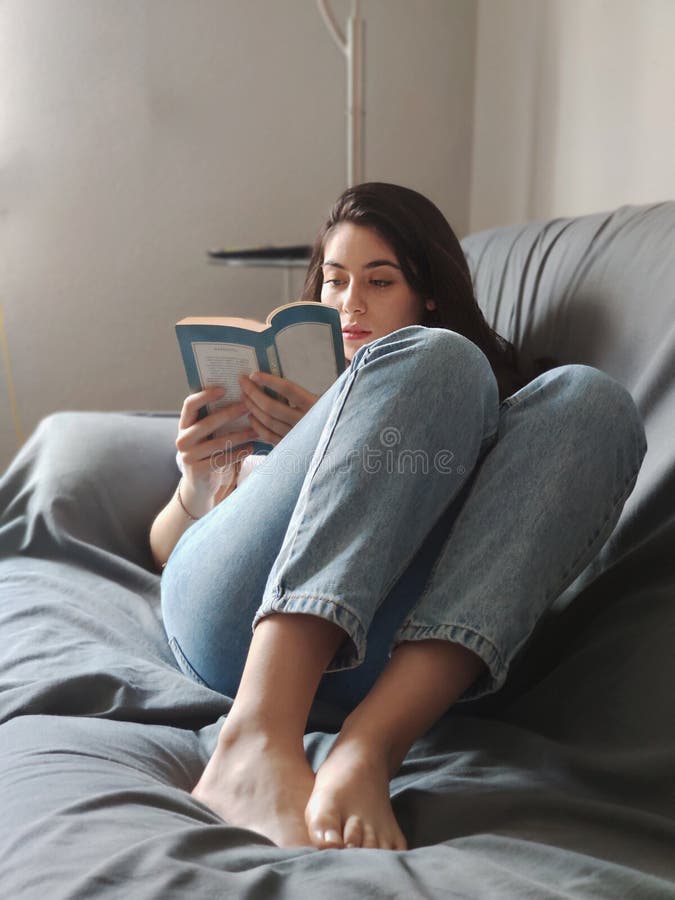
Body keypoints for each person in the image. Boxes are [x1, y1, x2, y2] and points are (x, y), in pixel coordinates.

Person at [151, 182, 647, 852]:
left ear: (427, 290)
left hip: (391, 662)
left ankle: (368, 750)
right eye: (333, 282)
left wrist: (363, 442)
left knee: (592, 399)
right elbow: (166, 553)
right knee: (433, 357)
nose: (349, 303)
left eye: (378, 281)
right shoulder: (274, 401)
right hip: (237, 622)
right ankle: (254, 738)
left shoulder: (475, 393)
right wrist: (198, 482)